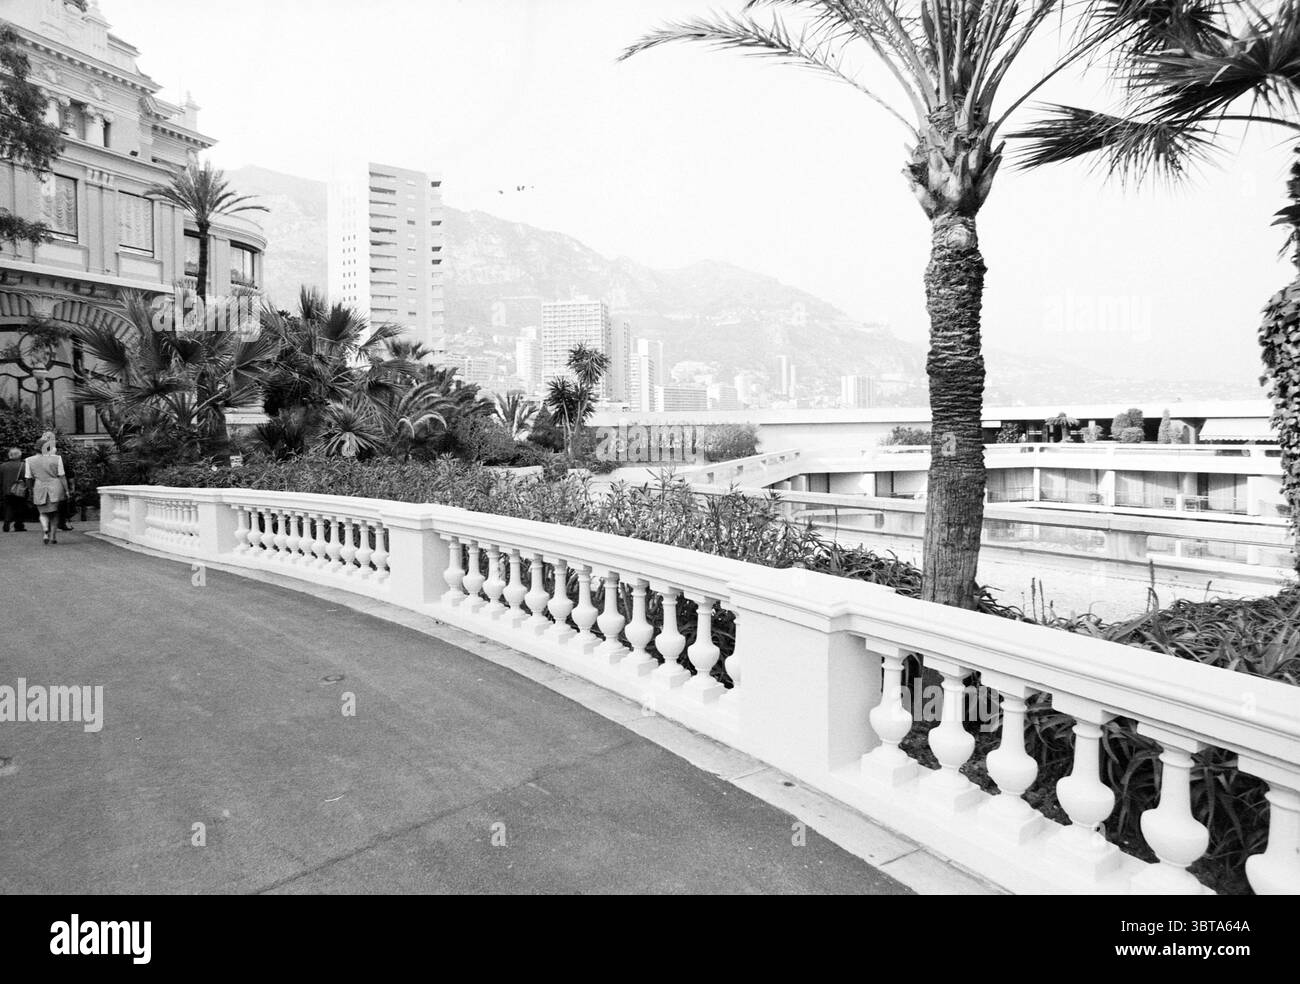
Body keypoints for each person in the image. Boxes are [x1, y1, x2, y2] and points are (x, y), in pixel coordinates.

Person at [24, 432, 68, 545]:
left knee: (43, 512)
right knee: (54, 513)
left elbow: (28, 477)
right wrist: (67, 490)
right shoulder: (57, 458)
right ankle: (53, 536)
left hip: (39, 487)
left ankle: (45, 531)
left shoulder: (29, 460)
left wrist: (30, 489)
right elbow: (62, 476)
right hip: (56, 487)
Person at [1, 447, 27, 532]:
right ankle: (18, 525)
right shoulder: (23, 465)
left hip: (6, 489)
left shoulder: (3, 466)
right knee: (20, 507)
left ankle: (6, 523)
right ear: (19, 455)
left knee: (8, 507)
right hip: (19, 489)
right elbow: (26, 477)